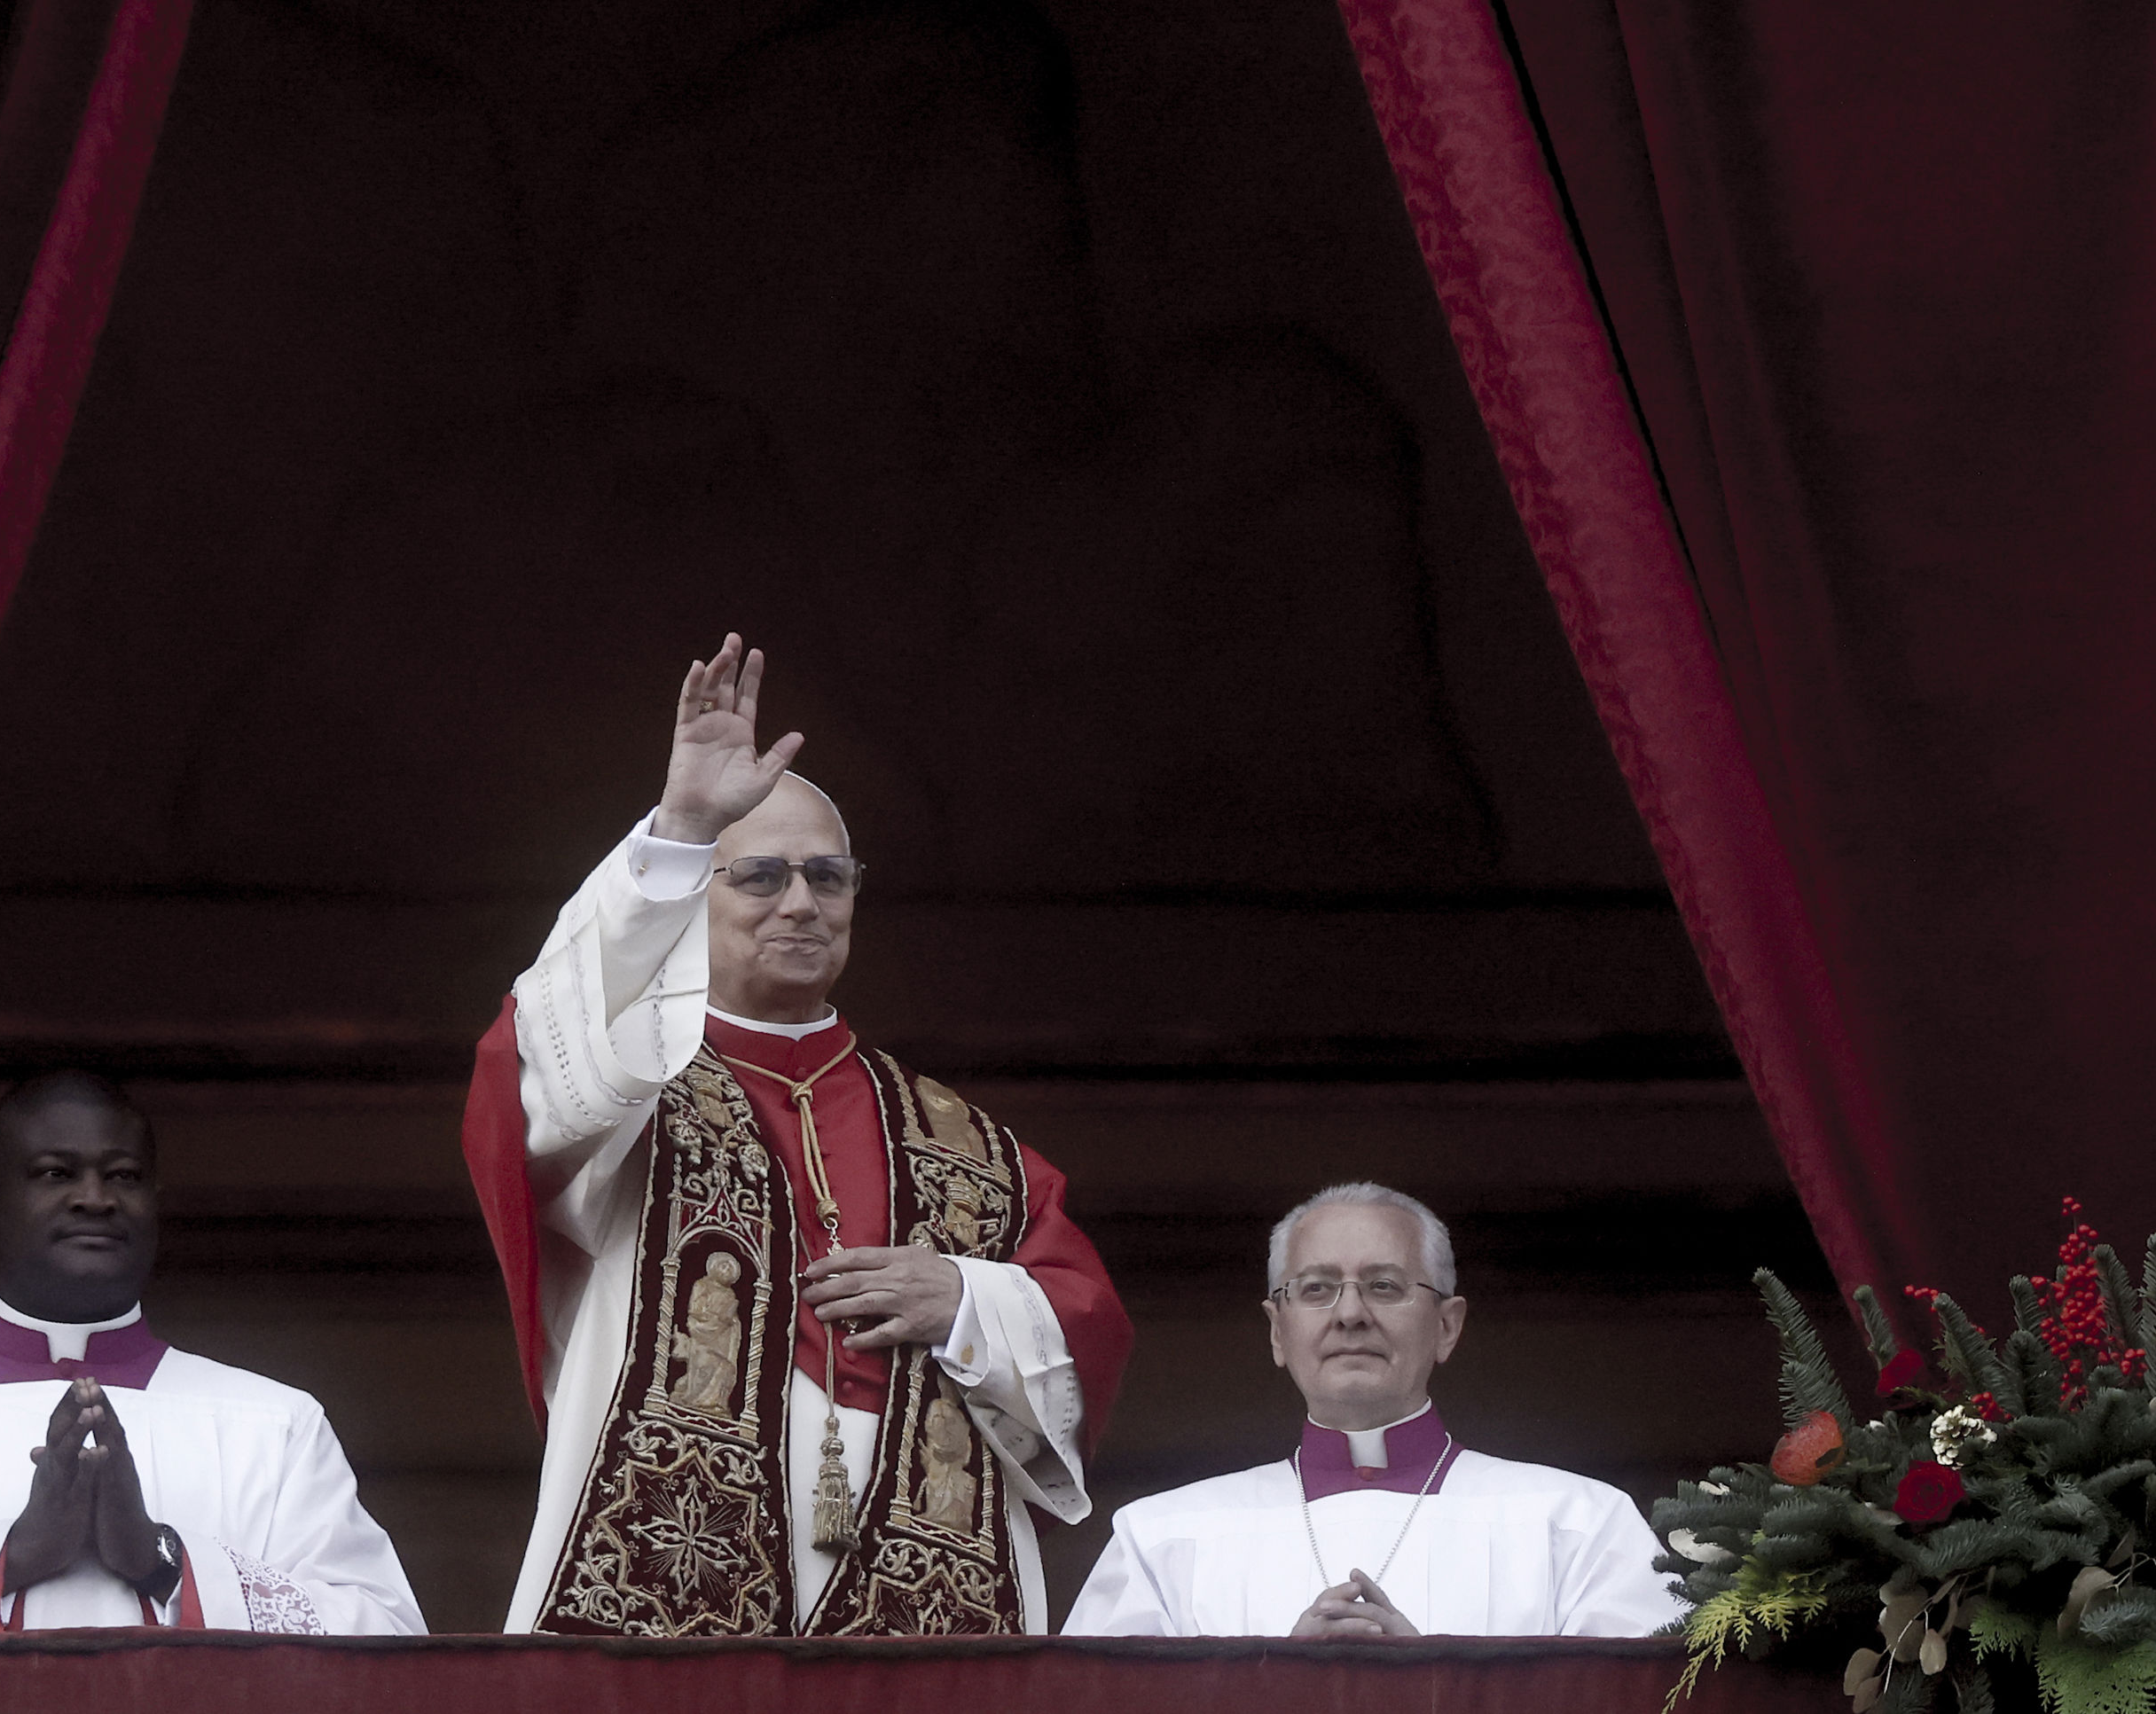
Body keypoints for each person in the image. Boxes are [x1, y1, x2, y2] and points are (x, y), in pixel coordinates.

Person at [465, 635, 1132, 1636]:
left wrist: (964, 1298)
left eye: (827, 876)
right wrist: (681, 828)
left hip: (923, 1548)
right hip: (668, 1533)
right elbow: (545, 1053)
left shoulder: (969, 1144)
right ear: (697, 890)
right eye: (759, 876)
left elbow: (1088, 1329)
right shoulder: (629, 1082)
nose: (800, 903)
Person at [0, 1072, 422, 1636]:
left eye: (122, 1175)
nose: (95, 1198)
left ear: (155, 1205)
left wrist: (161, 1559)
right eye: (55, 1172)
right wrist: (9, 1554)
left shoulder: (275, 1423)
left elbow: (382, 1634)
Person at [1064, 1182, 1686, 1639]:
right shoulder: (1162, 1538)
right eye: (1316, 1288)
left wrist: (1433, 1689)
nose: (1350, 1313)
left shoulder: (1580, 1525)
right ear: (1277, 1330)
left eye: (1384, 1285)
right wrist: (1274, 1688)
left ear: (1446, 1326)